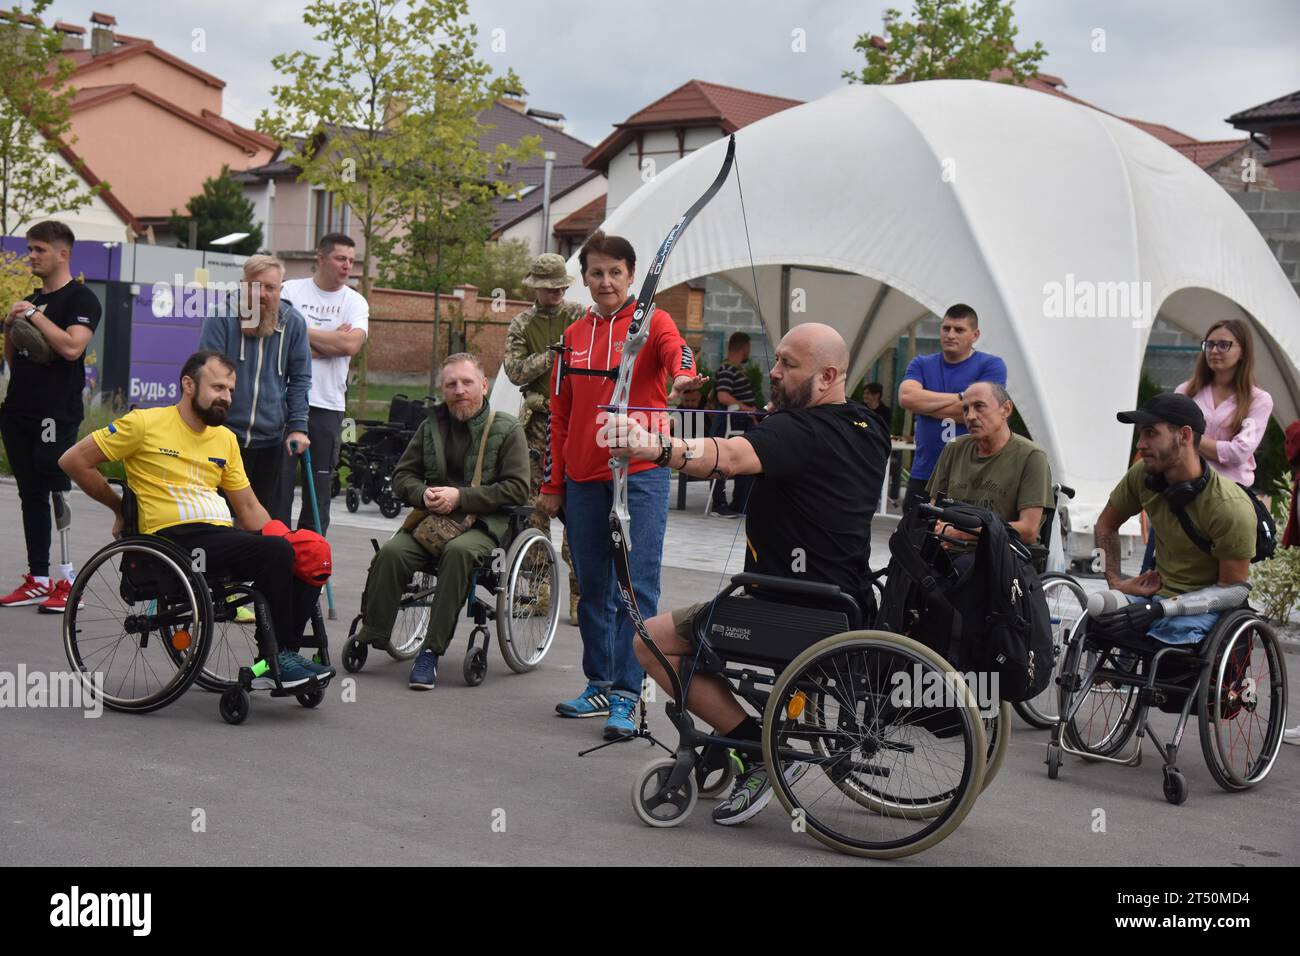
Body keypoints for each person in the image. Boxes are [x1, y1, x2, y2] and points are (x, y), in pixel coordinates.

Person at [603, 323, 889, 824]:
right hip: (846, 607)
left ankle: (755, 749)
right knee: (693, 636)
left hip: (782, 612)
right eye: (775, 360)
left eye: (787, 365)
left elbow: (729, 457)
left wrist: (653, 446)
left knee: (650, 643)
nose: (773, 373)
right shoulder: (869, 427)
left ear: (826, 376)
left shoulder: (795, 431)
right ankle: (739, 741)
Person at [57, 350, 334, 686]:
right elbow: (73, 461)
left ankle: (286, 652)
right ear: (188, 385)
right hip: (173, 541)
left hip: (220, 539)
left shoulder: (225, 439)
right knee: (277, 552)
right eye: (218, 388)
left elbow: (248, 510)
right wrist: (119, 509)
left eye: (230, 390)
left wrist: (284, 535)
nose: (226, 397)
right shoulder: (144, 424)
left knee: (311, 550)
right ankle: (278, 656)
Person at [537, 230, 707, 740]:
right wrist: (554, 482)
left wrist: (683, 376)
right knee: (591, 586)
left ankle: (631, 697)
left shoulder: (653, 321)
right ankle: (600, 683)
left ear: (632, 275)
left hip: (639, 477)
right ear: (584, 278)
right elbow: (560, 413)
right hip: (584, 479)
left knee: (636, 588)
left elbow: (680, 355)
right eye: (596, 272)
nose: (606, 281)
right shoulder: (572, 335)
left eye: (615, 272)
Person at [354, 353, 530, 690]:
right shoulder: (430, 426)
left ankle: (430, 652)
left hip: (483, 525)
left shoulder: (508, 429)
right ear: (442, 389)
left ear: (483, 385)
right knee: (391, 553)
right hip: (431, 520)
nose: (459, 390)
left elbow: (517, 488)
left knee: (459, 553)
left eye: (467, 382)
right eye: (451, 384)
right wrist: (423, 495)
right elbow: (403, 475)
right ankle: (372, 632)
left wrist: (460, 497)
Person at [1091, 393, 1256, 649]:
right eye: (1140, 434)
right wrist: (1114, 580)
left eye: (1150, 433)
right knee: (1096, 612)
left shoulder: (1229, 507)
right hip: (1155, 600)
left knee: (1171, 636)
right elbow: (1105, 526)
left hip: (1204, 609)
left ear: (1185, 435)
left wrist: (1163, 609)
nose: (1140, 444)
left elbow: (1233, 592)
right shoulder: (1141, 475)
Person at [0, 221, 102, 612]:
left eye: (39, 249)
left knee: (55, 483)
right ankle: (39, 578)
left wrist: (33, 316)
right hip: (18, 410)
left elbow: (72, 348)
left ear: (63, 254)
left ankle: (68, 579)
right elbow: (14, 360)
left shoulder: (81, 299)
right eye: (30, 249)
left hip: (54, 413)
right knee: (30, 494)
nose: (32, 256)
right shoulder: (28, 300)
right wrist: (11, 325)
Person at [1140, 319, 1275, 571]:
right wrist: (1189, 440)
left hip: (1229, 498)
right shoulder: (1186, 391)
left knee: (1217, 578)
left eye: (1224, 345)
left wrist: (1189, 438)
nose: (1214, 351)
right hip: (1182, 491)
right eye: (1210, 344)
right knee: (1158, 569)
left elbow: (1239, 452)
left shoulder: (1259, 399)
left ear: (1242, 350)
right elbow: (1169, 441)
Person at [502, 253, 585, 625]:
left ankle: (582, 595)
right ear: (535, 287)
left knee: (579, 512)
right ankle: (538, 591)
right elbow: (515, 371)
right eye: (549, 288)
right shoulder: (522, 323)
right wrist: (553, 358)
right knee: (536, 510)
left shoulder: (580, 316)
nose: (556, 294)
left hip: (577, 422)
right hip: (538, 424)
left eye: (561, 287)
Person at [199, 255, 311, 525]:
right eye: (255, 286)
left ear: (280, 290)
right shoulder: (221, 317)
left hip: (270, 439)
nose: (261, 294)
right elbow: (208, 373)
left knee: (265, 521)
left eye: (270, 288)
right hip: (224, 437)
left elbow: (300, 378)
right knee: (219, 519)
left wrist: (298, 426)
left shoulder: (294, 323)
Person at [282, 233, 369, 536]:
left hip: (327, 407)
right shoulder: (290, 290)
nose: (347, 266)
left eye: (351, 260)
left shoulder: (355, 301)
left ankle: (309, 574)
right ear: (320, 257)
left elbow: (350, 345)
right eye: (340, 258)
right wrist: (330, 342)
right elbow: (274, 337)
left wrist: (299, 334)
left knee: (317, 497)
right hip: (286, 402)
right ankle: (271, 568)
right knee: (276, 491)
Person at [898, 304, 1006, 513]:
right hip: (925, 473)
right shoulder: (921, 363)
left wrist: (925, 406)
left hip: (972, 477)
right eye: (945, 328)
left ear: (975, 335)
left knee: (962, 541)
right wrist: (961, 397)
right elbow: (907, 398)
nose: (950, 334)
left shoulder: (991, 365)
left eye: (959, 330)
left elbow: (984, 415)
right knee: (913, 541)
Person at [925, 381, 1052, 545]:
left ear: (1005, 409)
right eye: (965, 409)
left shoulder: (1032, 457)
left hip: (999, 557)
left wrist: (964, 533)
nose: (970, 416)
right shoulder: (954, 447)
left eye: (979, 406)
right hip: (945, 549)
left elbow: (1028, 531)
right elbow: (933, 509)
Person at [709, 332, 759, 518]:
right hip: (730, 424)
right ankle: (719, 503)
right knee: (722, 461)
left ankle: (740, 502)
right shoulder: (727, 370)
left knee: (744, 463)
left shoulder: (734, 369)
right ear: (744, 347)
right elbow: (723, 396)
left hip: (740, 423)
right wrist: (748, 409)